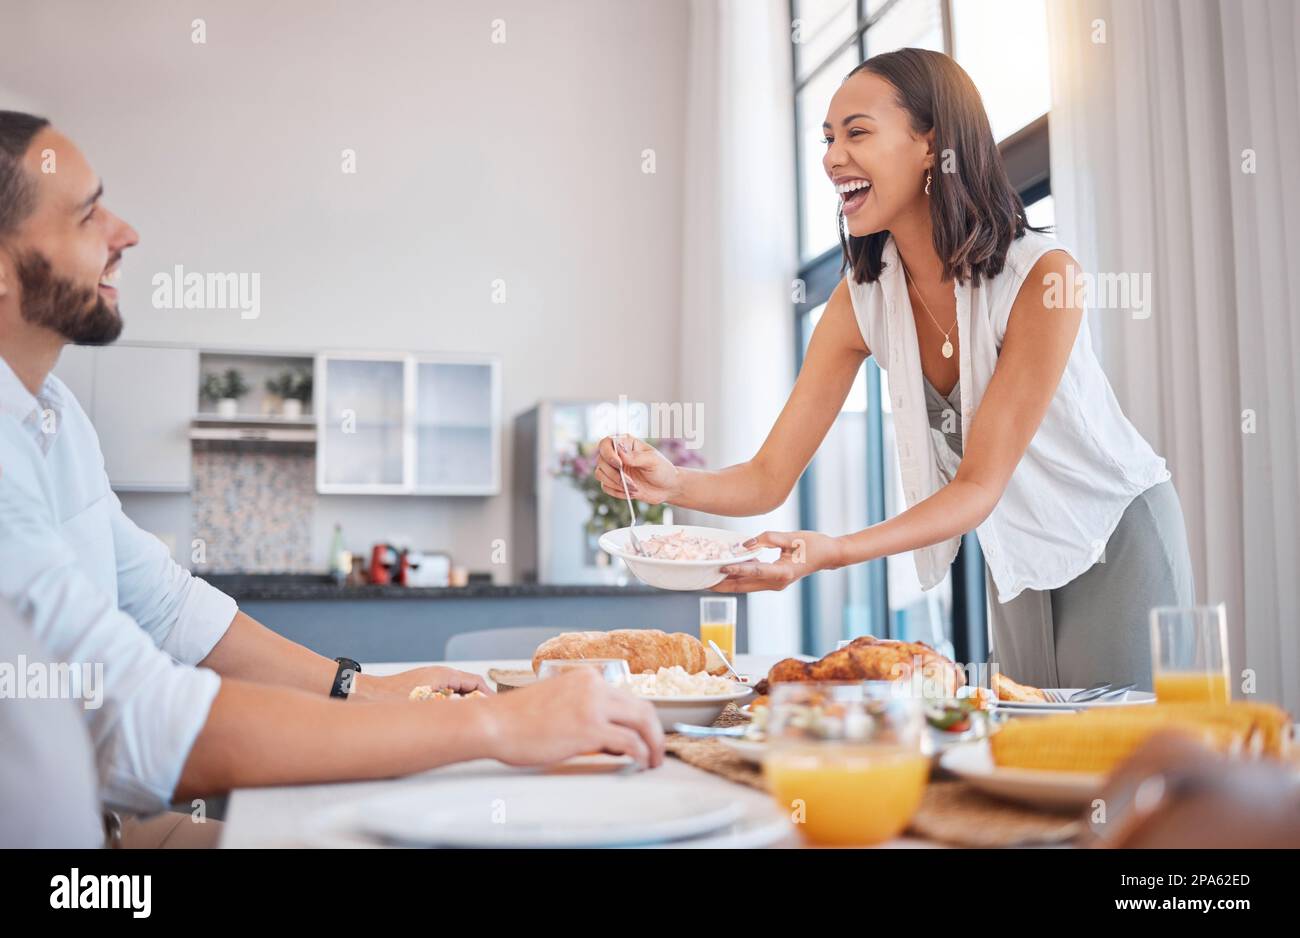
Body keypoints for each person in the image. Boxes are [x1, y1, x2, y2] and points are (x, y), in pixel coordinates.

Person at [0, 110, 664, 838]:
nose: (125, 233)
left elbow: (165, 605)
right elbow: (143, 727)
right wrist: (495, 724)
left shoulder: (53, 415)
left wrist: (361, 689)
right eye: (88, 214)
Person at [595, 49, 1194, 691]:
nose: (831, 157)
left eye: (857, 132)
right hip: (1015, 552)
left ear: (931, 145)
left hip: (1113, 538)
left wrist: (834, 551)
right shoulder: (862, 300)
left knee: (1134, 769)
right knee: (1039, 768)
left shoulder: (1044, 279)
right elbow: (768, 477)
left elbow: (975, 486)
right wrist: (669, 485)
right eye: (828, 138)